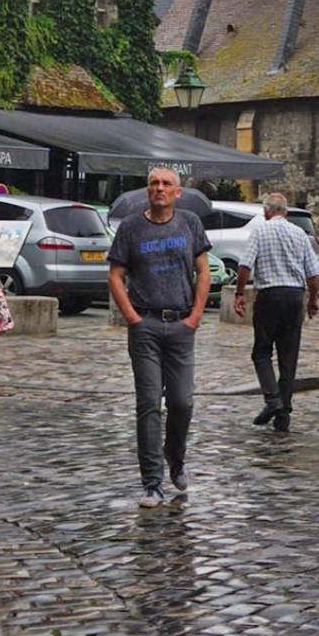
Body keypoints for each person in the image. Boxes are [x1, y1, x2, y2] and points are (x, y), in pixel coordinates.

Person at [108, 167, 211, 507]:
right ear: (147, 191)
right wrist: (132, 318)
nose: (159, 188)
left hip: (181, 325)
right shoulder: (132, 228)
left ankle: (175, 457)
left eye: (166, 184)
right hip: (146, 327)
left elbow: (204, 270)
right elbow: (115, 275)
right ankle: (152, 482)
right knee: (148, 404)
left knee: (182, 402)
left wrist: (195, 316)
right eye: (154, 183)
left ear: (177, 192)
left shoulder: (190, 224)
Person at [234, 191, 319, 433]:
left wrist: (240, 293)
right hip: (295, 297)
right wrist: (313, 299)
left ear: (265, 212)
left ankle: (273, 400)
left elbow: (244, 265)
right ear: (285, 212)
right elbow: (314, 275)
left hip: (269, 296)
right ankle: (283, 413)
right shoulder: (300, 234)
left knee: (261, 352)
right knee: (288, 356)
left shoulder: (260, 232)